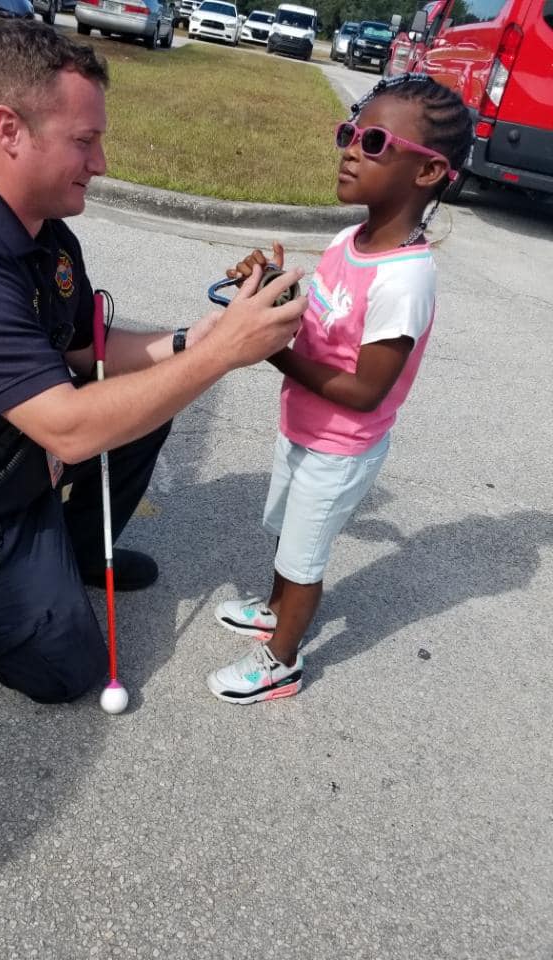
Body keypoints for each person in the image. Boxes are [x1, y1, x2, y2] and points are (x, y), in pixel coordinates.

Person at [0, 21, 306, 704]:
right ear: (9, 129)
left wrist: (197, 340)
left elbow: (86, 350)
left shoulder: (46, 231)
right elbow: (68, 429)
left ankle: (75, 549)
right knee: (65, 669)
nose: (102, 163)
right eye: (85, 141)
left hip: (8, 441)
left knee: (147, 395)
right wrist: (223, 356)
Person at [206, 74, 473, 705]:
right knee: (286, 530)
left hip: (340, 447)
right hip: (302, 425)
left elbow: (363, 392)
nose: (351, 149)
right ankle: (276, 610)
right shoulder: (344, 242)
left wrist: (269, 349)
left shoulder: (405, 279)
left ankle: (281, 661)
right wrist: (274, 291)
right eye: (349, 133)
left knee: (305, 559)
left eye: (374, 142)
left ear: (428, 172)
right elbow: (322, 322)